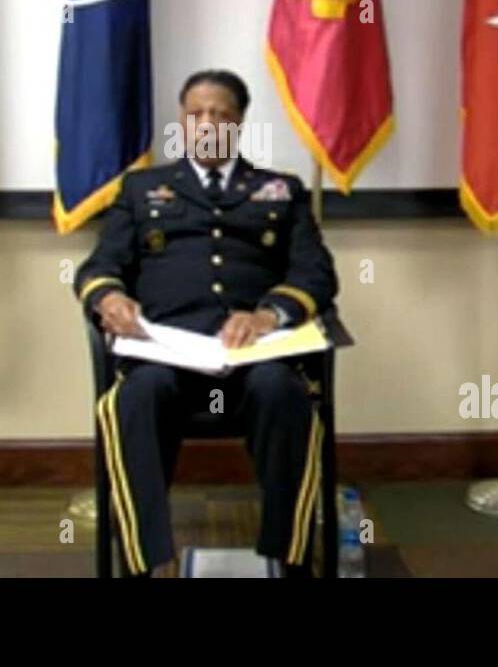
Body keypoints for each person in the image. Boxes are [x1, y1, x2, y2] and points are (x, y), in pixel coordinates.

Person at [74, 69, 338, 577]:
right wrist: (108, 298)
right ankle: (146, 561)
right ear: (182, 122)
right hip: (165, 355)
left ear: (239, 123)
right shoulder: (142, 188)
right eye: (196, 114)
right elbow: (99, 266)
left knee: (284, 394)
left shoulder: (280, 191)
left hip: (253, 358)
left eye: (220, 114)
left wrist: (268, 314)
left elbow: (316, 273)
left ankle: (289, 556)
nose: (207, 123)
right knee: (134, 397)